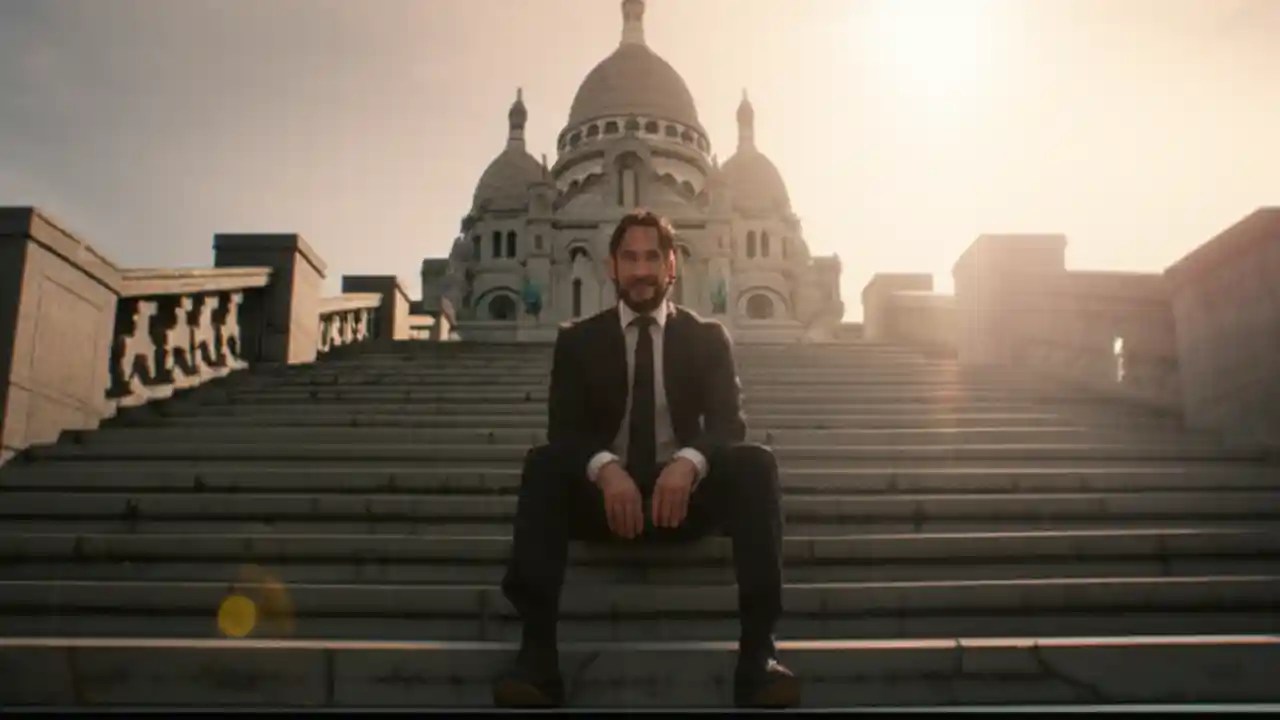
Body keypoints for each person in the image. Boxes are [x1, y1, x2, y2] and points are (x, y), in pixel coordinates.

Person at [493, 209, 799, 709]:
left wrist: (689, 462)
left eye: (652, 258)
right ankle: (537, 659)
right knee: (543, 464)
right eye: (630, 258)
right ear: (611, 266)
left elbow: (728, 425)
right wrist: (605, 469)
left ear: (672, 265)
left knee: (756, 464)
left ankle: (759, 657)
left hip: (682, 501)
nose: (641, 270)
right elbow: (564, 431)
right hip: (606, 504)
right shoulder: (577, 340)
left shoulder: (707, 337)